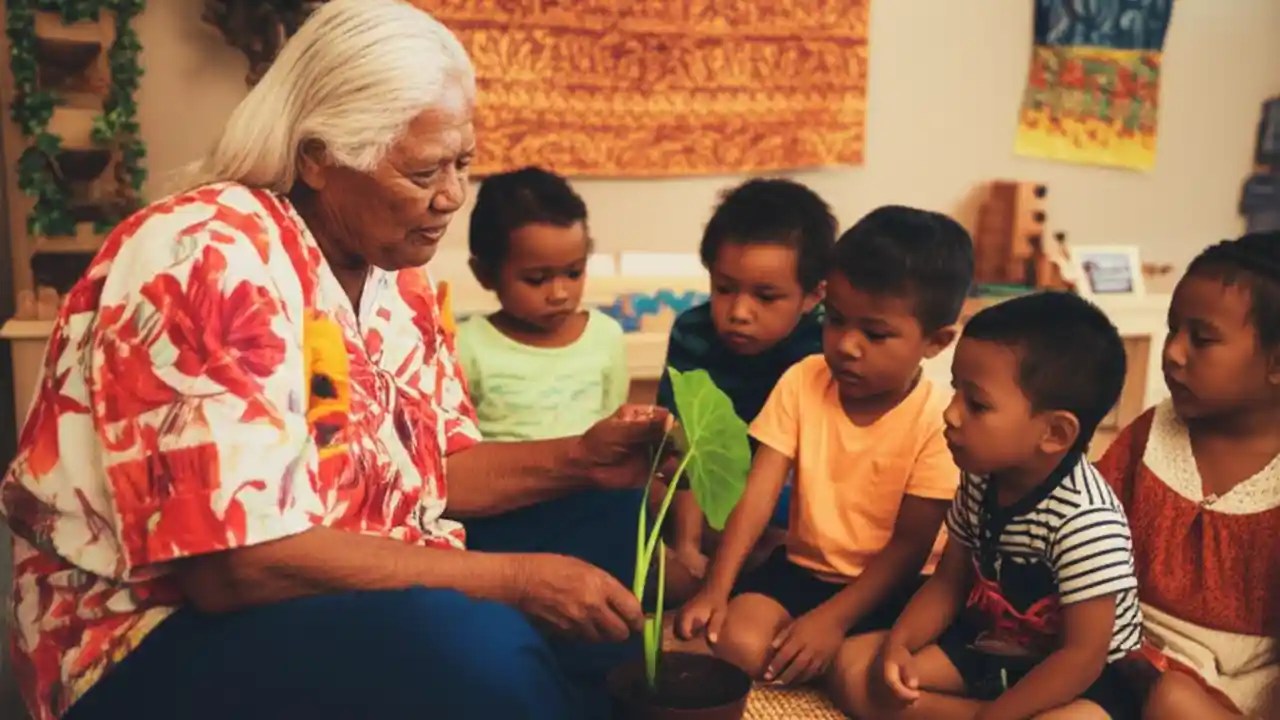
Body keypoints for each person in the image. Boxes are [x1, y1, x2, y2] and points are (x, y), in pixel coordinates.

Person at [0, 3, 672, 719]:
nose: (450, 196)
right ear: (317, 156)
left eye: (463, 163)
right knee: (476, 642)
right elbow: (233, 566)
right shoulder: (205, 252)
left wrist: (582, 459)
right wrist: (509, 579)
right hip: (152, 636)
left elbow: (427, 475)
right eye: (422, 170)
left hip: (339, 571)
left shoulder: (395, 271)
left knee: (621, 528)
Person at [674, 205, 973, 687]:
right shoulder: (802, 380)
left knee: (864, 672)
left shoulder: (941, 419)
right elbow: (757, 496)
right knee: (737, 644)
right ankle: (811, 651)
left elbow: (910, 547)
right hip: (802, 572)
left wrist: (831, 621)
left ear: (936, 341)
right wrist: (715, 589)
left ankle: (827, 653)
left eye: (875, 334)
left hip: (893, 587)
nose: (847, 345)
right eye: (835, 320)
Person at [834, 292, 1143, 720]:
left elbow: (1082, 657)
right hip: (992, 645)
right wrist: (900, 644)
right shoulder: (980, 476)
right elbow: (948, 582)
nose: (951, 414)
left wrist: (995, 715)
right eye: (956, 391)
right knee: (856, 668)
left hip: (1082, 680)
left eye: (976, 404)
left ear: (1054, 433)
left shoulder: (1087, 522)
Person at [1095, 233, 1280, 719]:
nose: (1173, 353)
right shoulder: (1151, 434)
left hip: (1229, 694)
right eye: (1172, 329)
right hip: (1121, 657)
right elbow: (1084, 534)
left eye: (1202, 339)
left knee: (1175, 704)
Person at [657, 178, 835, 581]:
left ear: (813, 296)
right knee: (645, 488)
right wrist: (685, 547)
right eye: (723, 289)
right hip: (705, 492)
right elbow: (686, 444)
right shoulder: (693, 333)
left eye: (766, 296)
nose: (739, 312)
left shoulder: (824, 347)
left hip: (791, 495)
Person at [457, 166, 627, 441]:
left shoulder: (606, 336)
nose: (559, 293)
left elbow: (614, 428)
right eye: (537, 279)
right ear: (485, 274)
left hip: (596, 483)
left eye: (574, 273)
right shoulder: (467, 347)